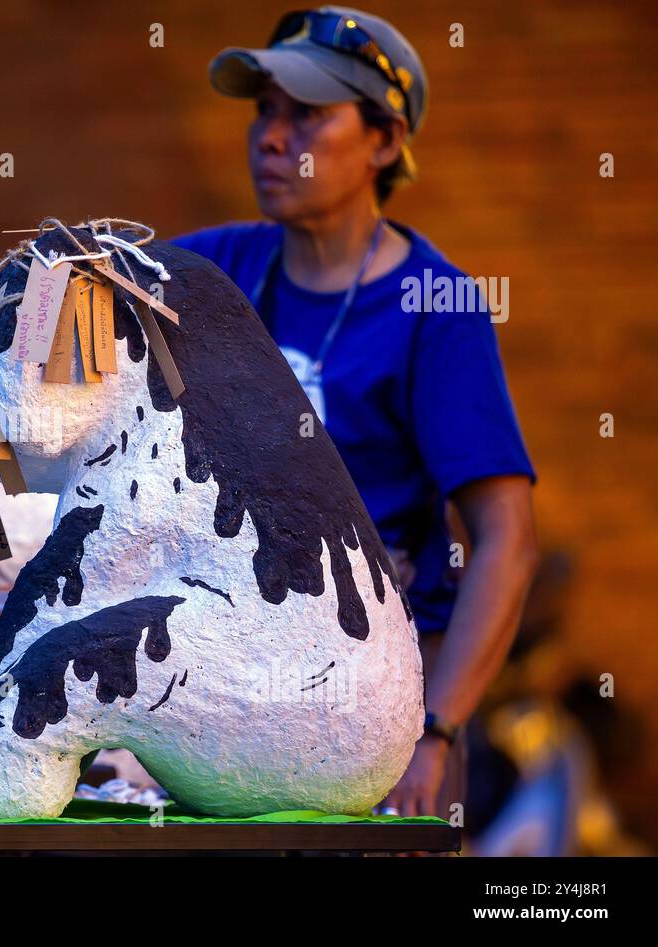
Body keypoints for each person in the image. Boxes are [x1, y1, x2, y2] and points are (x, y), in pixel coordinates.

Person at [172, 7, 539, 820]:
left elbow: (508, 539)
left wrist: (434, 732)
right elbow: (84, 282)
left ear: (383, 140)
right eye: (264, 110)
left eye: (308, 114)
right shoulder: (220, 270)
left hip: (384, 708)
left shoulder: (435, 307)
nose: (272, 138)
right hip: (237, 699)